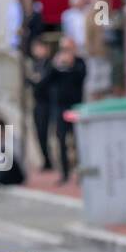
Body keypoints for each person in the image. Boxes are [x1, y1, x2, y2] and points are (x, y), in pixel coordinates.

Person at [45, 38, 86, 183]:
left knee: (79, 141)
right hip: (60, 107)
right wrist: (56, 66)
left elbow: (81, 77)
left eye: (68, 49)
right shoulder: (55, 64)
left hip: (76, 106)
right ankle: (64, 173)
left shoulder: (80, 62)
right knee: (61, 140)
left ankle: (82, 173)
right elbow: (47, 81)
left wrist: (71, 65)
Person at [25, 38, 54, 172]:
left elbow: (41, 81)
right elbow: (33, 80)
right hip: (38, 102)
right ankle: (46, 160)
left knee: (46, 132)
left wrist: (35, 79)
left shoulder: (49, 64)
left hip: (48, 103)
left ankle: (50, 161)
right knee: (39, 134)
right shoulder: (37, 64)